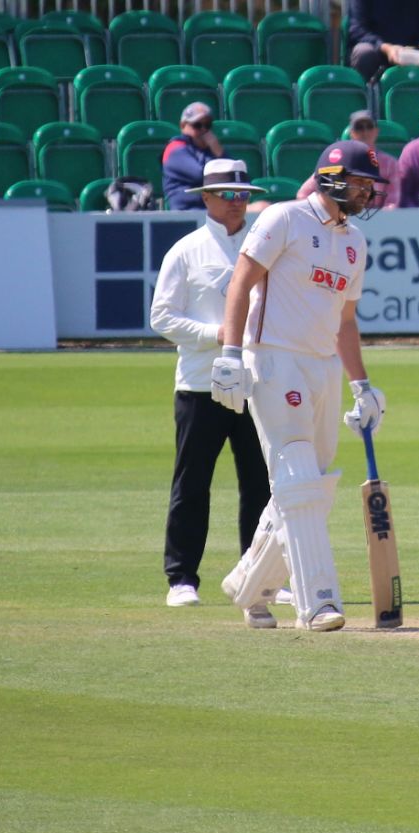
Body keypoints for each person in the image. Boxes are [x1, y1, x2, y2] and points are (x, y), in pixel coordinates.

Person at [212, 141, 389, 632]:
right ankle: (318, 603)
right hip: (273, 359)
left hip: (322, 366)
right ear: (332, 178)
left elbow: (346, 321)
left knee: (316, 484)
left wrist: (363, 385)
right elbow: (241, 283)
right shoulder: (285, 219)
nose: (368, 192)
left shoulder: (355, 241)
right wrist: (230, 353)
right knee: (297, 475)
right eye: (360, 182)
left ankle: (250, 585)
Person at [149, 160, 270, 608]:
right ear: (206, 198)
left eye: (242, 195)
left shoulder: (265, 245)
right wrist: (215, 334)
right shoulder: (186, 251)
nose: (238, 203)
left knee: (259, 483)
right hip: (200, 384)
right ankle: (181, 578)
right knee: (192, 483)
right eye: (228, 195)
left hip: (253, 381)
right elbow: (160, 316)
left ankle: (258, 575)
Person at [296, 110, 401, 209]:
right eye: (359, 127)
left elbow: (392, 203)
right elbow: (303, 195)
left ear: (376, 131)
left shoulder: (390, 164)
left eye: (369, 127)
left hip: (378, 222)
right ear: (352, 133)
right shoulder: (335, 161)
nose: (365, 132)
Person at [347, 0, 419, 84]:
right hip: (381, 52)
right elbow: (357, 30)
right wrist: (387, 48)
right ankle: (366, 103)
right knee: (363, 53)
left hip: (414, 53)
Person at [161, 102, 224, 211]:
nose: (203, 130)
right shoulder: (175, 148)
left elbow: (236, 176)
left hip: (213, 210)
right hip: (188, 212)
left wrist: (220, 153)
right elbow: (202, 176)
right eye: (197, 125)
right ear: (183, 126)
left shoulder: (211, 148)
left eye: (207, 125)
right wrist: (218, 154)